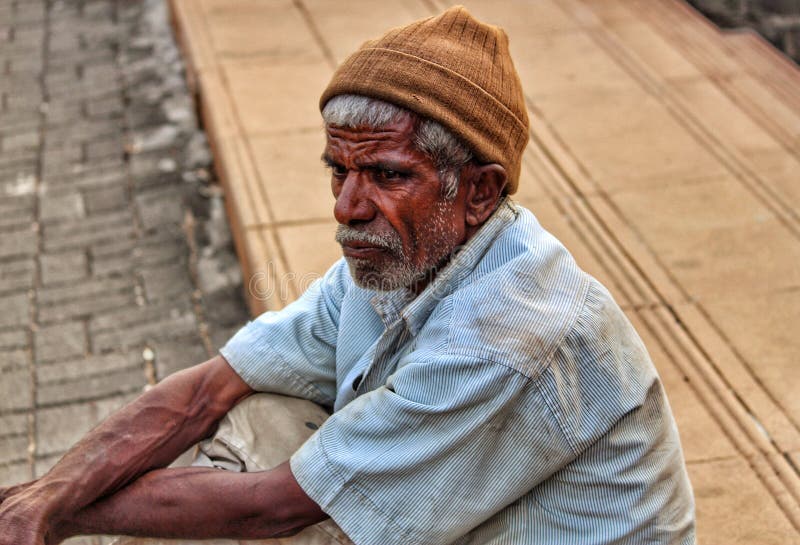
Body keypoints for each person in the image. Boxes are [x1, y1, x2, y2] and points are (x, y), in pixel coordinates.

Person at [0, 6, 695, 545]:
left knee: (267, 495)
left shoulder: (509, 331)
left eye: (387, 175)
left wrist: (62, 513)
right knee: (259, 415)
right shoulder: (392, 261)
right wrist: (41, 494)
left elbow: (280, 507)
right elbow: (209, 389)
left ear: (479, 192)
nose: (346, 206)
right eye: (340, 169)